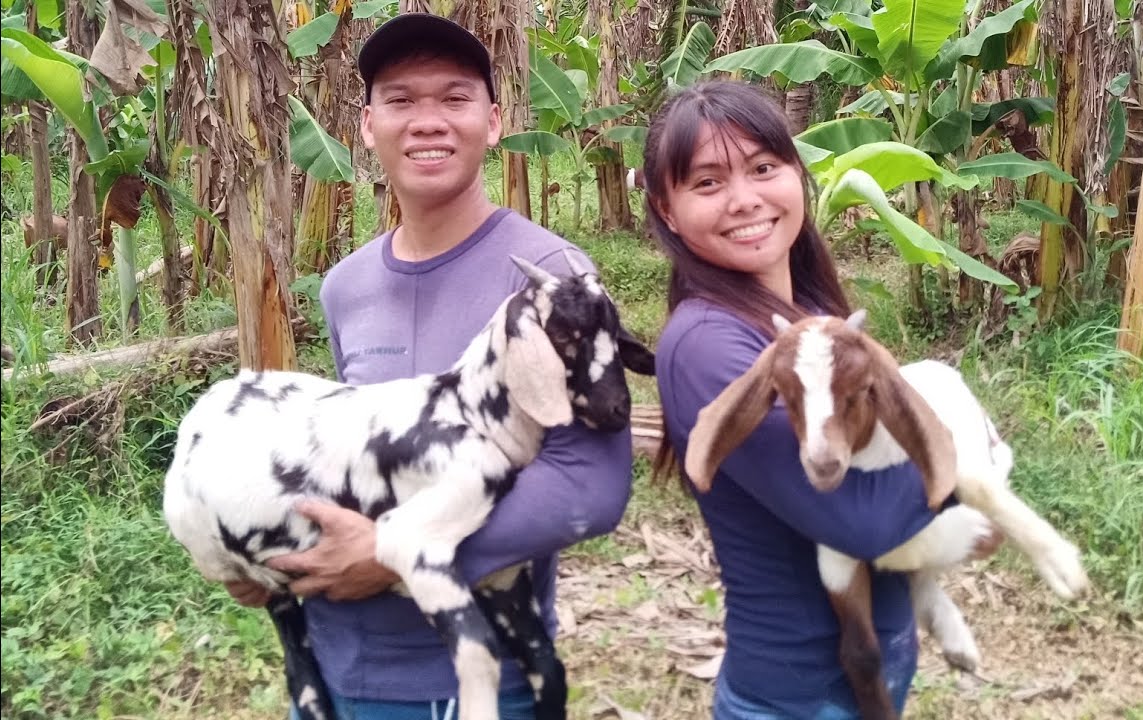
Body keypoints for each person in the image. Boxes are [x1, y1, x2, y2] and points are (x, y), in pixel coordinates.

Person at [223, 13, 636, 719]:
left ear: (495, 121)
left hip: (473, 671)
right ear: (365, 125)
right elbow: (350, 456)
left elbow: (593, 484)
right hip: (334, 661)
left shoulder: (549, 282)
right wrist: (262, 553)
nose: (428, 121)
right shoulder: (345, 287)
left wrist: (388, 552)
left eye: (454, 98)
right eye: (402, 100)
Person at [645, 80, 999, 719]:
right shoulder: (706, 344)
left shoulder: (808, 319)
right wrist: (971, 471)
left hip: (864, 672)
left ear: (796, 175)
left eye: (763, 168)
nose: (744, 199)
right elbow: (861, 521)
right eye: (706, 183)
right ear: (666, 210)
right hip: (797, 696)